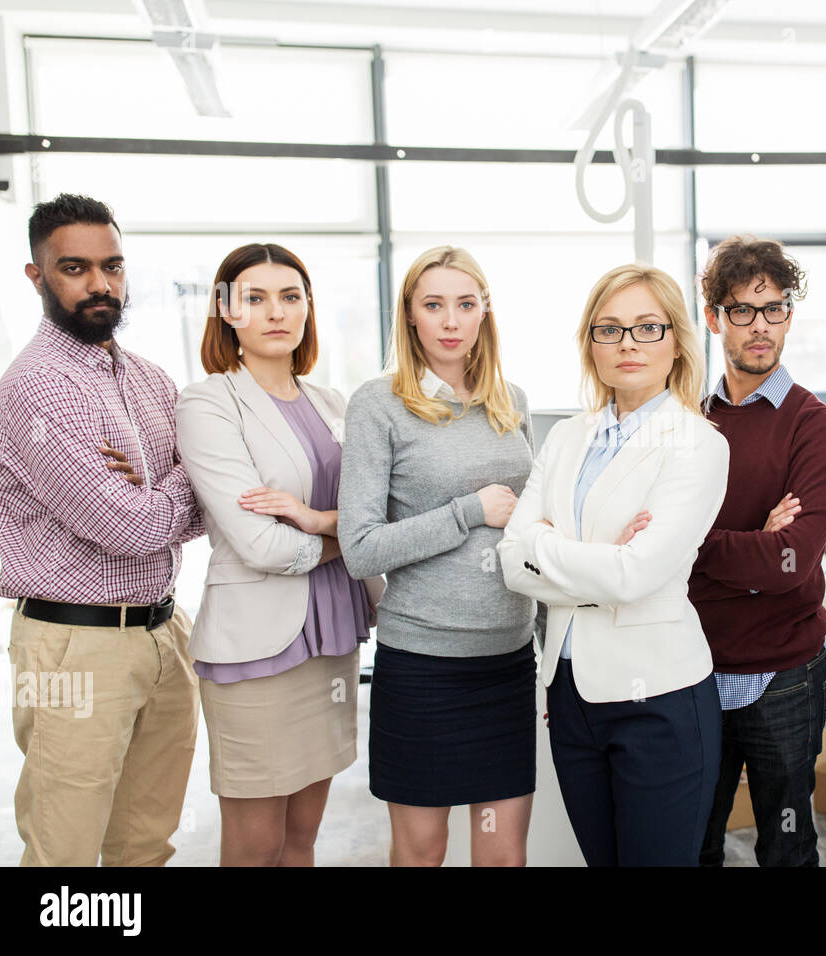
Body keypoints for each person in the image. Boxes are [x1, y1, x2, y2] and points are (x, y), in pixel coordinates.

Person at [0, 193, 203, 866]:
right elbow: (125, 526)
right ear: (37, 276)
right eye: (75, 268)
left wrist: (163, 486)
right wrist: (179, 481)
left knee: (145, 842)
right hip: (72, 646)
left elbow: (215, 497)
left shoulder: (149, 379)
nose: (99, 285)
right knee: (66, 849)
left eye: (112, 266)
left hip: (165, 632)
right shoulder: (38, 386)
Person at [498, 263, 729, 867]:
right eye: (610, 328)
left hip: (659, 699)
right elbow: (509, 562)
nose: (628, 342)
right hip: (571, 696)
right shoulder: (566, 437)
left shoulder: (699, 442)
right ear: (591, 344)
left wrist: (547, 545)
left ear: (676, 341)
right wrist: (601, 559)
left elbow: (637, 575)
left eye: (647, 327)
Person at [174, 243, 384, 866]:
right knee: (255, 846)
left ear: (308, 308)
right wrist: (345, 537)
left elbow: (382, 515)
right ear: (226, 312)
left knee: (301, 840)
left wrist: (323, 524)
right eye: (254, 299)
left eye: (290, 296)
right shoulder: (208, 402)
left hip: (332, 637)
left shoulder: (333, 404)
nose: (276, 312)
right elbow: (262, 544)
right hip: (255, 648)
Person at [338, 246, 536, 867]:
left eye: (465, 304)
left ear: (484, 314)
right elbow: (360, 549)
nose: (450, 320)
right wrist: (468, 511)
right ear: (411, 317)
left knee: (502, 858)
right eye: (434, 305)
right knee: (422, 853)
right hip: (424, 667)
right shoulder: (379, 404)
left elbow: (528, 524)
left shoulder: (511, 401)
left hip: (507, 662)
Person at [688, 236, 826, 867]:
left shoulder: (815, 426)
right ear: (712, 318)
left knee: (786, 846)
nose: (760, 326)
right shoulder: (687, 420)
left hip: (783, 674)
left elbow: (792, 564)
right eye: (741, 310)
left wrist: (694, 545)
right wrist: (752, 544)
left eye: (773, 309)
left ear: (788, 315)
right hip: (691, 666)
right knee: (692, 842)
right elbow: (649, 552)